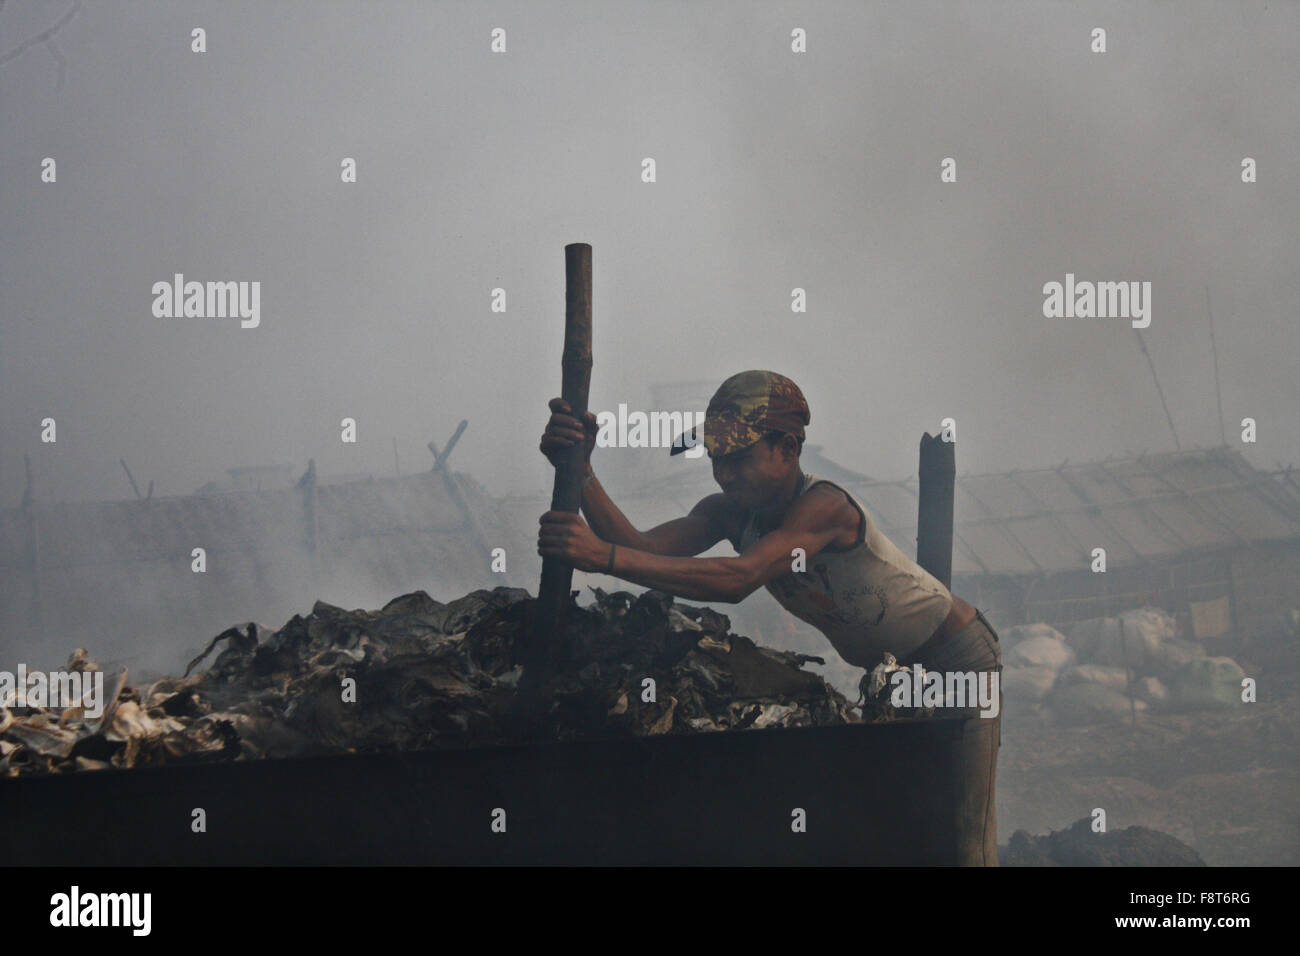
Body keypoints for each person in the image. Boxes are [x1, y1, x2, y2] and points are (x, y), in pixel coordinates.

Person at [538, 369, 1001, 865]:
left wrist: (602, 558)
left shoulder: (824, 506)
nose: (724, 472)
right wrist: (581, 473)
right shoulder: (729, 513)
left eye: (738, 456)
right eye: (716, 458)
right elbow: (640, 549)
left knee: (960, 834)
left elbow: (738, 579)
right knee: (897, 820)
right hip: (890, 674)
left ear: (788, 448)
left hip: (956, 662)